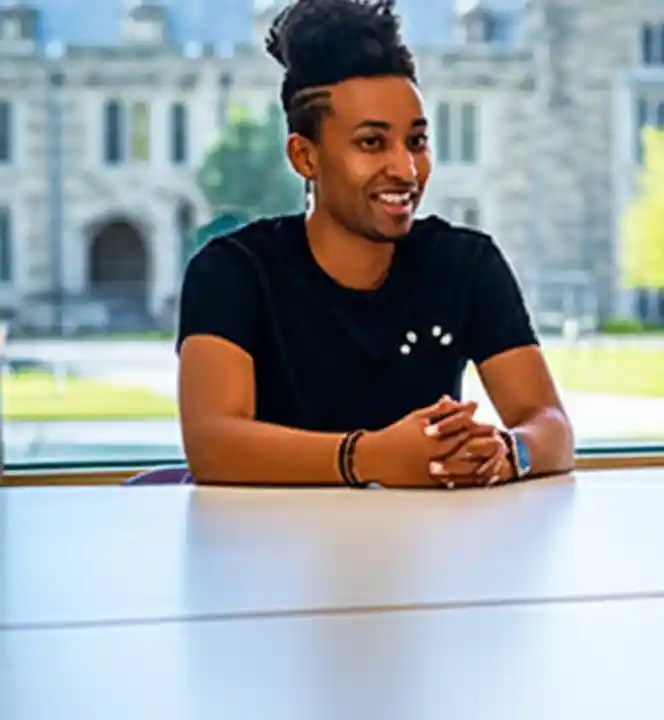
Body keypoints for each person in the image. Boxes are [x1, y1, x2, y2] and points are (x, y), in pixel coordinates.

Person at [176, 0, 573, 489]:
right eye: (371, 143)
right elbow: (212, 445)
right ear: (304, 156)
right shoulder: (232, 272)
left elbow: (551, 426)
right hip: (270, 553)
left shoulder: (465, 263)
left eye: (417, 142)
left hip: (423, 554)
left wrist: (510, 451)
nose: (405, 170)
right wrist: (367, 457)